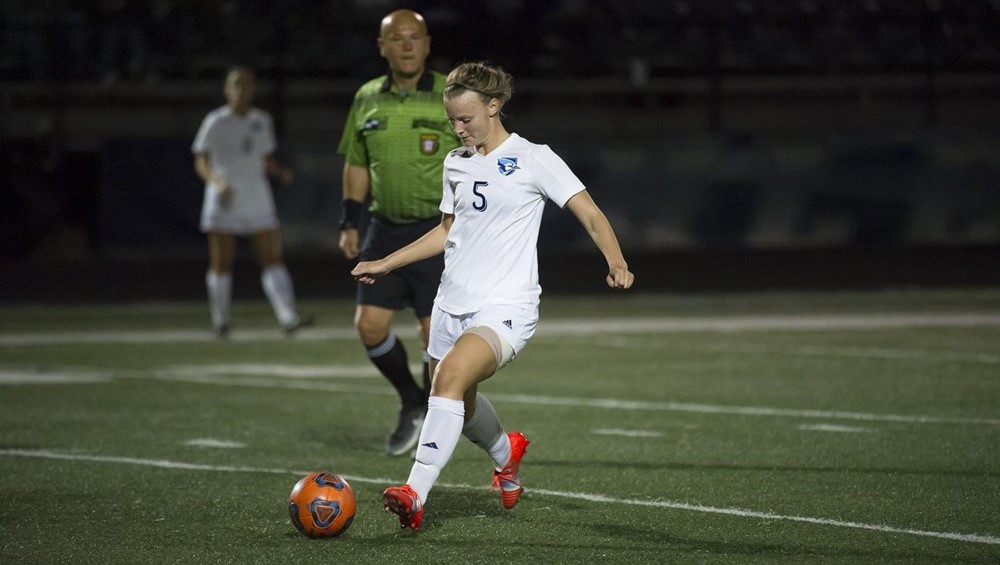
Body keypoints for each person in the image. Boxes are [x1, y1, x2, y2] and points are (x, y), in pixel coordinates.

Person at [351, 62, 635, 530]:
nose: (458, 129)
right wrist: (386, 262)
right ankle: (506, 453)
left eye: (466, 119)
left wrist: (616, 261)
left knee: (446, 380)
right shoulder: (456, 162)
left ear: (494, 106)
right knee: (458, 404)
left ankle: (414, 493)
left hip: (505, 307)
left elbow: (590, 213)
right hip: (450, 304)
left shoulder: (534, 158)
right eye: (452, 121)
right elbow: (447, 231)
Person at [336, 9, 462, 456]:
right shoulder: (366, 97)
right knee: (369, 326)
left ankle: (433, 419)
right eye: (397, 38)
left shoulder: (451, 95)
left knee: (434, 336)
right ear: (382, 46)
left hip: (437, 230)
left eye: (415, 37)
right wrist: (349, 221)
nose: (407, 45)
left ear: (427, 44)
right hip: (383, 228)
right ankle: (411, 401)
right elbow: (356, 162)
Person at [193, 65, 311, 338]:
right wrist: (216, 182)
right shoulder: (215, 121)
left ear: (253, 89)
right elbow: (201, 160)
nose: (241, 90)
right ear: (226, 90)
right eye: (235, 84)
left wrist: (279, 172)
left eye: (246, 84)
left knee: (272, 257)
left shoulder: (261, 120)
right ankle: (221, 321)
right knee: (221, 262)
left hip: (256, 196)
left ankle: (288, 316)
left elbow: (263, 159)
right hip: (224, 199)